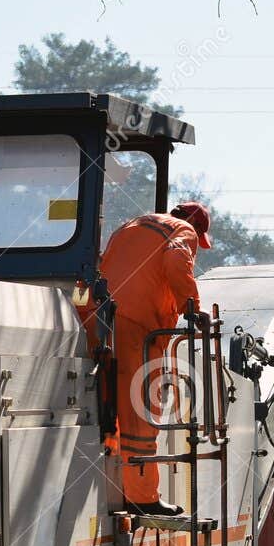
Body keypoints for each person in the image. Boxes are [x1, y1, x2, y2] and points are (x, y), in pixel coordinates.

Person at [98, 200, 213, 517]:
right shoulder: (183, 230)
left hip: (101, 321)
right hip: (138, 328)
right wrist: (192, 307)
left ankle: (111, 487)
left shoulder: (131, 225)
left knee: (109, 411)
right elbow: (177, 260)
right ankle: (141, 496)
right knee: (140, 412)